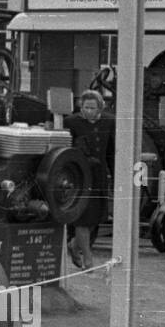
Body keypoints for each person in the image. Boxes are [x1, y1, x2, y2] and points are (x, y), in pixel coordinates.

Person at [63, 88, 114, 270]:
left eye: (92, 107)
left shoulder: (109, 122)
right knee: (83, 218)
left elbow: (111, 152)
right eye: (85, 107)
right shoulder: (71, 122)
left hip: (99, 176)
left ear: (100, 107)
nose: (88, 111)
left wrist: (115, 176)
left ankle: (75, 245)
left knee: (96, 218)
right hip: (80, 176)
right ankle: (88, 258)